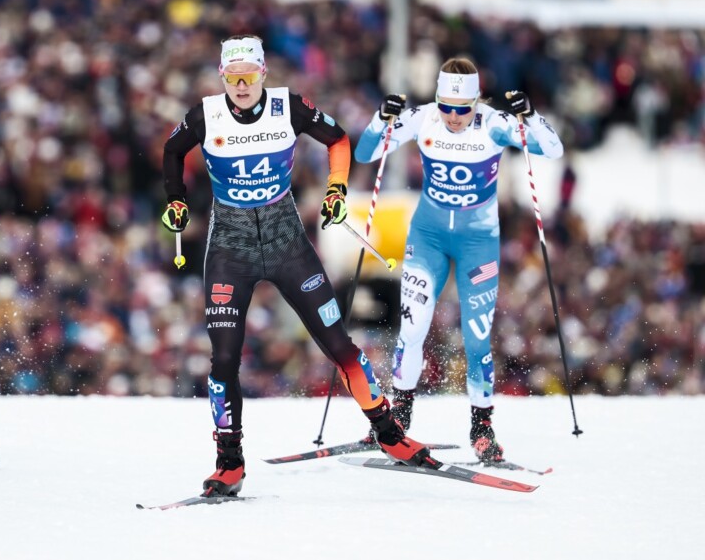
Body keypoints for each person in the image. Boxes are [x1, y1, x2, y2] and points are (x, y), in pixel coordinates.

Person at [161, 35, 434, 496]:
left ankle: (389, 434)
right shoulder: (204, 114)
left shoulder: (288, 106)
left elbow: (338, 140)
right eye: (233, 77)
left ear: (263, 74)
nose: (242, 85)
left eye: (249, 76)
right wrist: (176, 201)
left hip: (288, 242)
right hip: (230, 249)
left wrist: (336, 190)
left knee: (337, 343)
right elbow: (171, 153)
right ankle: (229, 462)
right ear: (222, 77)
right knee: (224, 359)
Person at [354, 57, 563, 463]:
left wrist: (531, 117)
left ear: (476, 102)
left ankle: (482, 427)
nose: (452, 116)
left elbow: (552, 149)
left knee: (476, 337)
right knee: (412, 329)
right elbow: (366, 153)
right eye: (445, 106)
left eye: (461, 109)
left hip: (478, 242)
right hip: (428, 236)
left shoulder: (495, 124)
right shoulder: (424, 118)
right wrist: (381, 119)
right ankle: (398, 417)